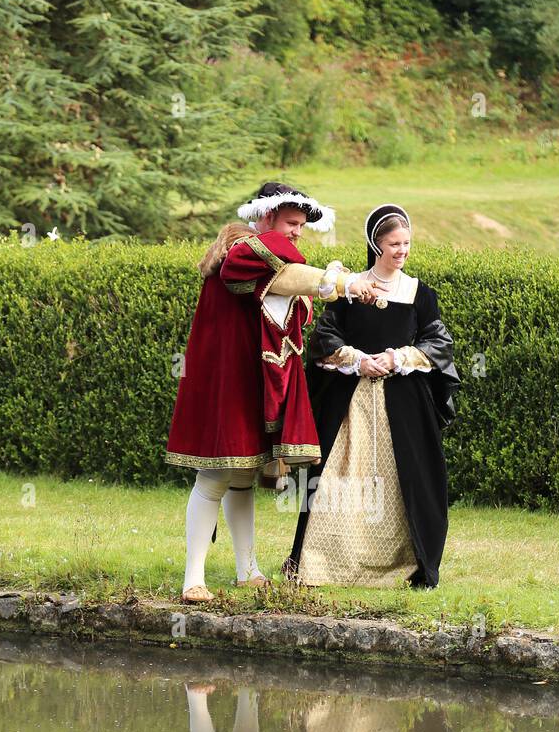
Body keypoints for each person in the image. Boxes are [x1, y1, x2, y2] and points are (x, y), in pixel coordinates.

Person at [166, 181, 376, 603]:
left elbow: (287, 298)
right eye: (290, 223)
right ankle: (193, 579)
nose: (297, 232)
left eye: (301, 225)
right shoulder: (244, 253)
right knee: (213, 478)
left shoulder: (264, 258)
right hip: (227, 382)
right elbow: (287, 278)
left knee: (241, 478)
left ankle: (248, 570)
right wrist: (342, 282)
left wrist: (331, 280)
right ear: (266, 217)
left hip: (251, 381)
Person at [285, 202, 459, 589]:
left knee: (406, 480)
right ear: (375, 244)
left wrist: (399, 357)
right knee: (339, 479)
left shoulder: (419, 293)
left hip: (404, 404)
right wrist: (358, 360)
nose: (402, 251)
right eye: (395, 244)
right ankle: (324, 564)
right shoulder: (351, 289)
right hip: (353, 405)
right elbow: (324, 340)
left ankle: (403, 567)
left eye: (407, 243)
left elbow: (438, 343)